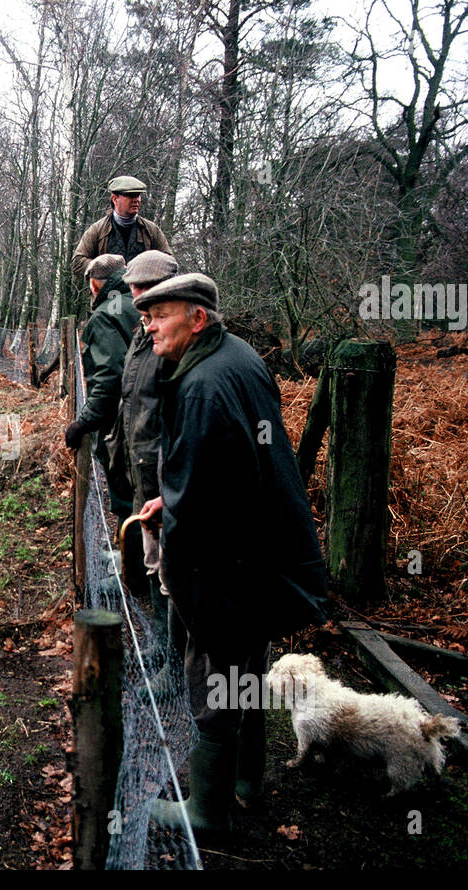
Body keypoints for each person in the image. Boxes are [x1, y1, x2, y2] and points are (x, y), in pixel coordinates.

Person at [135, 272, 329, 834]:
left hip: (225, 566)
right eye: (146, 315)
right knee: (249, 666)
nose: (149, 325)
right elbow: (233, 464)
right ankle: (247, 783)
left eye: (160, 314)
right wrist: (167, 506)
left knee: (213, 679)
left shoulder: (199, 386)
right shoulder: (239, 355)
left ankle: (205, 812)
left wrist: (179, 559)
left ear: (197, 318)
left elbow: (199, 499)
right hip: (261, 553)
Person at [108, 250, 179, 634]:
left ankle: (172, 662)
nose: (135, 295)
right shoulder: (143, 333)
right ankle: (159, 643)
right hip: (140, 463)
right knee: (153, 557)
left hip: (161, 466)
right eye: (133, 287)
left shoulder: (171, 341)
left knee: (169, 564)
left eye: (143, 288)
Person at [63, 254, 138, 518]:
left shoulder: (105, 317)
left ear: (95, 285)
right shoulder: (145, 305)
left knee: (128, 504)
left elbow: (109, 381)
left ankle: (130, 556)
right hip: (154, 422)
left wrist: (82, 423)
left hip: (122, 428)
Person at [70, 176, 173, 286]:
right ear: (114, 199)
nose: (136, 200)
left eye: (138, 195)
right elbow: (77, 263)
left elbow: (170, 263)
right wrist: (105, 267)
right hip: (108, 298)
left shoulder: (151, 230)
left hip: (142, 297)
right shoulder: (97, 230)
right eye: (130, 195)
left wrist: (146, 268)